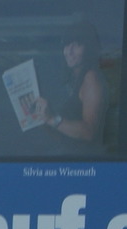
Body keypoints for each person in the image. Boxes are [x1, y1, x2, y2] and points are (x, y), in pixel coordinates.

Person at [36, 19, 107, 151]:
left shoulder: (91, 78)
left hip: (87, 167)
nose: (69, 51)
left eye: (77, 45)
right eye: (67, 45)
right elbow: (65, 136)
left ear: (89, 48)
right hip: (70, 162)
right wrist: (43, 120)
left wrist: (52, 119)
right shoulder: (72, 81)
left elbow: (89, 132)